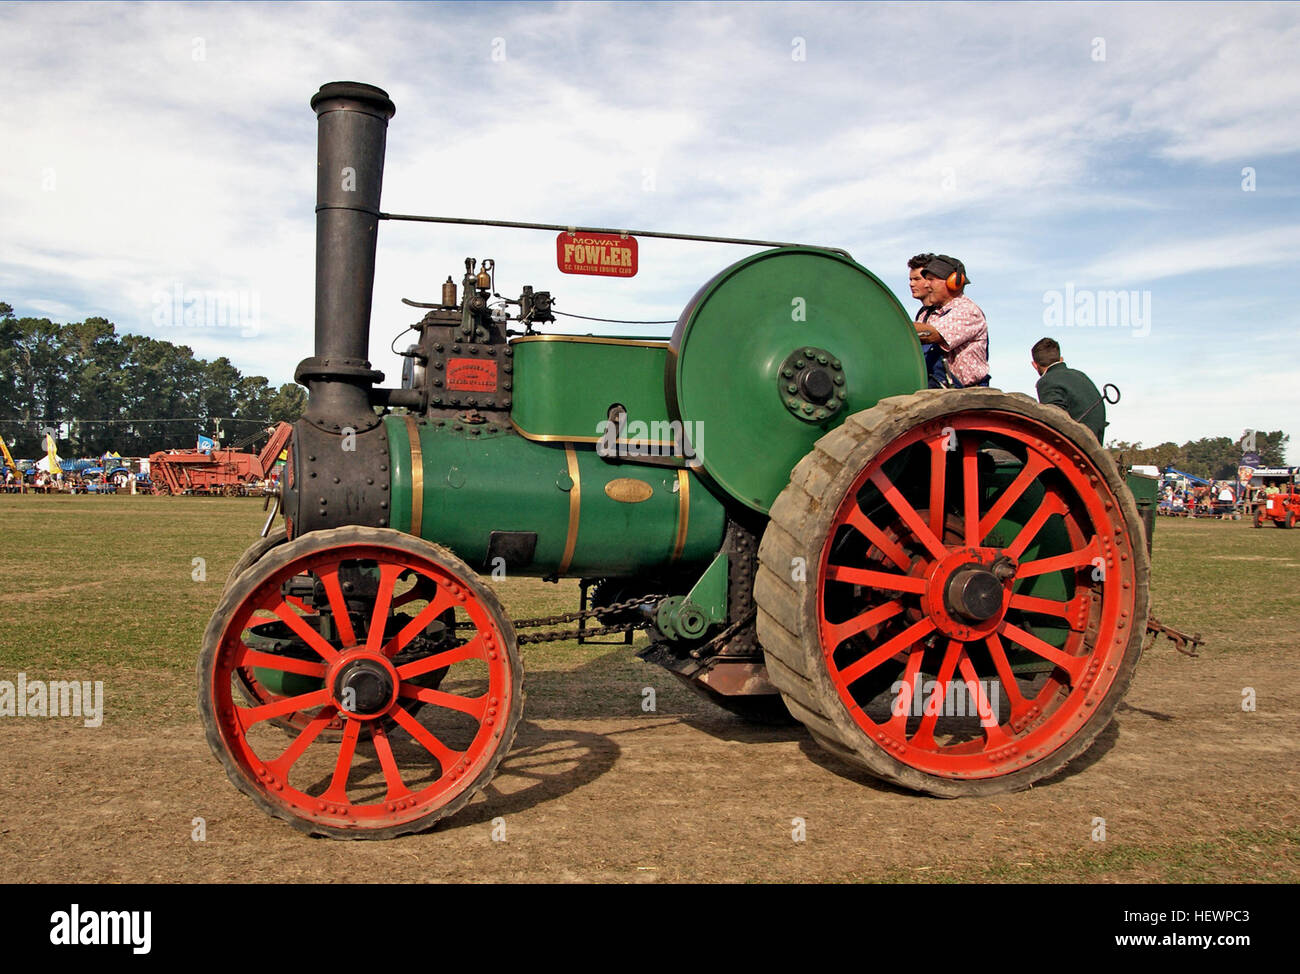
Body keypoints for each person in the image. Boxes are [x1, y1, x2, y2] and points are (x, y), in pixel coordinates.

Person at [912, 254, 989, 387]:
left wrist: (896, 324)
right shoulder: (926, 314)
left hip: (964, 393)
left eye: (931, 279)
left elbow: (932, 334)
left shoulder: (967, 310)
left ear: (954, 283)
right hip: (935, 386)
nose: (926, 284)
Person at [1030, 337, 1106, 442]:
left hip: (1078, 445)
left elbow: (1054, 420)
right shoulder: (1080, 375)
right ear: (1061, 359)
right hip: (1096, 442)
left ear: (1034, 365)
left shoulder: (1047, 381)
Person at [906, 252, 947, 388]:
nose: (911, 284)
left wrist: (894, 324)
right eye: (910, 279)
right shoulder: (923, 315)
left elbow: (935, 334)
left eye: (917, 279)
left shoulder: (959, 310)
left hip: (955, 390)